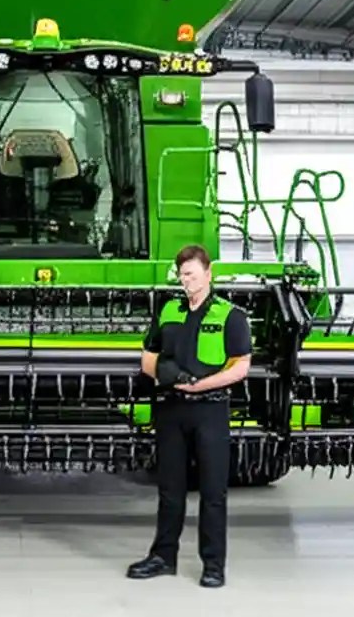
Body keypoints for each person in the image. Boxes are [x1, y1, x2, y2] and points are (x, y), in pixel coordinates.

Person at [125, 244, 252, 588]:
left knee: (213, 492)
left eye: (192, 274)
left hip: (210, 410)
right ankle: (162, 557)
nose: (186, 281)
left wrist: (202, 385)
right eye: (182, 275)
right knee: (170, 489)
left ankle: (213, 565)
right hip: (170, 410)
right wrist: (167, 376)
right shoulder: (168, 310)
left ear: (209, 274)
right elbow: (148, 357)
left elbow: (241, 366)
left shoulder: (230, 315)